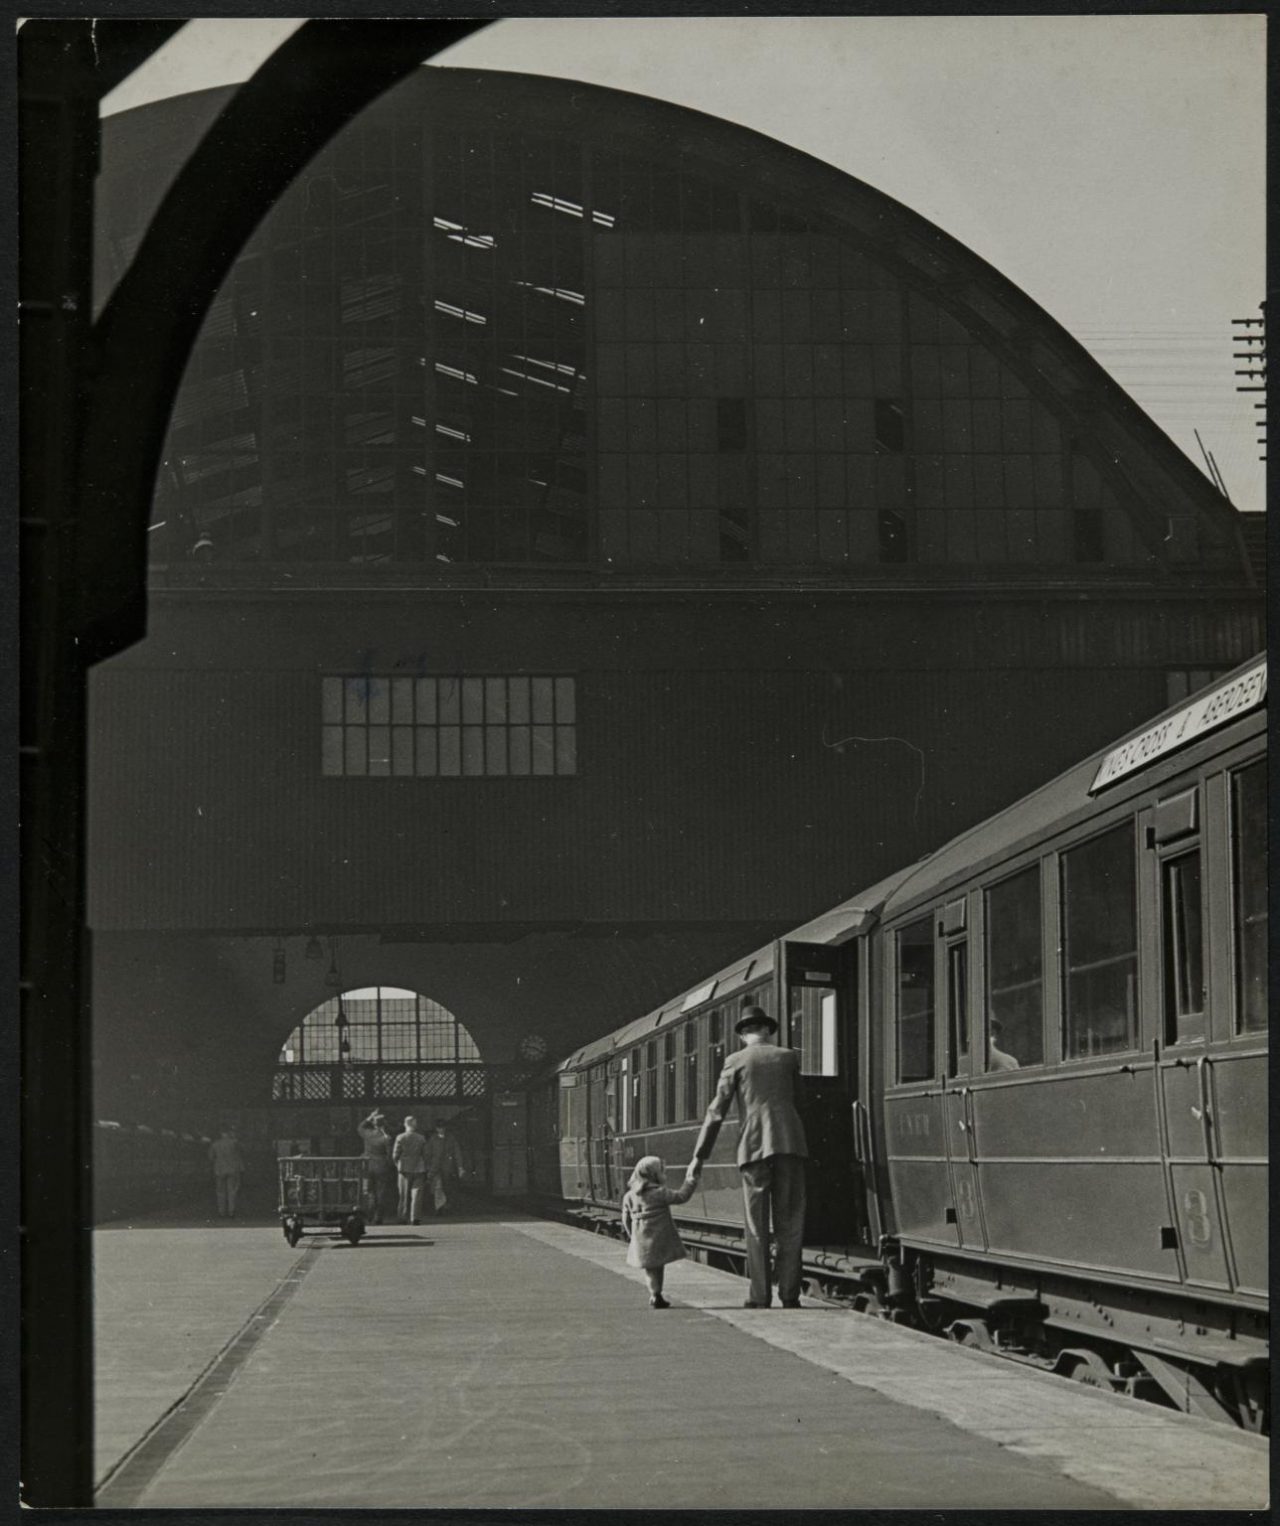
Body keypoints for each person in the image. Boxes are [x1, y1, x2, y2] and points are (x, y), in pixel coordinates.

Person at [691, 1004, 807, 1309]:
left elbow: (716, 1112)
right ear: (767, 1030)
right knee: (790, 1224)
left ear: (743, 1035)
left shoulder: (735, 1061)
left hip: (753, 1148)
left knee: (756, 1226)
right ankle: (790, 1295)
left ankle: (760, 1296)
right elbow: (801, 1100)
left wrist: (699, 1155)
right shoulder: (788, 1057)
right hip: (790, 1145)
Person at [620, 1155, 699, 1309]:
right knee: (659, 1267)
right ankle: (657, 1294)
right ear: (654, 1175)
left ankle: (654, 1294)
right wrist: (690, 1180)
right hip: (659, 1240)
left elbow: (625, 1218)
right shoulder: (660, 1193)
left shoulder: (629, 1196)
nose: (665, 1175)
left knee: (650, 1270)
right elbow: (682, 1196)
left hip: (641, 1240)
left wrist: (632, 1236)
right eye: (662, 1171)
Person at [357, 1109, 394, 1223]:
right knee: (381, 1192)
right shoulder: (387, 1138)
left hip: (368, 1165)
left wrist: (370, 1116)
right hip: (382, 1166)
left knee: (369, 1191)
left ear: (374, 1124)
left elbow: (360, 1127)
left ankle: (369, 1214)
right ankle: (378, 1217)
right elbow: (389, 1155)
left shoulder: (367, 1134)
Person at [392, 1115, 430, 1224]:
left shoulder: (400, 1137)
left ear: (405, 1124)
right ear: (414, 1125)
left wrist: (397, 1165)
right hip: (419, 1167)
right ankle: (415, 1217)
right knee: (417, 1193)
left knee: (403, 1194)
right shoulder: (421, 1138)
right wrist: (425, 1166)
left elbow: (395, 1154)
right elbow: (426, 1155)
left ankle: (402, 1217)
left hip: (404, 1168)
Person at [423, 1122, 466, 1215]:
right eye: (439, 1127)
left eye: (442, 1127)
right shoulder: (433, 1139)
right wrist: (427, 1166)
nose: (441, 1129)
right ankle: (440, 1207)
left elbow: (457, 1152)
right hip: (435, 1168)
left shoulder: (450, 1138)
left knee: (447, 1187)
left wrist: (460, 1166)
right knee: (438, 1187)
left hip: (447, 1168)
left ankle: (443, 1206)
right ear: (436, 1128)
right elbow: (427, 1153)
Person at [209, 1126, 245, 1219]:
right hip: (233, 1169)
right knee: (232, 1191)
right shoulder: (235, 1143)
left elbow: (211, 1157)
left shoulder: (215, 1144)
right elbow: (241, 1153)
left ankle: (221, 1212)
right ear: (229, 1133)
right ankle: (231, 1211)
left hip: (219, 1170)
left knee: (220, 1191)